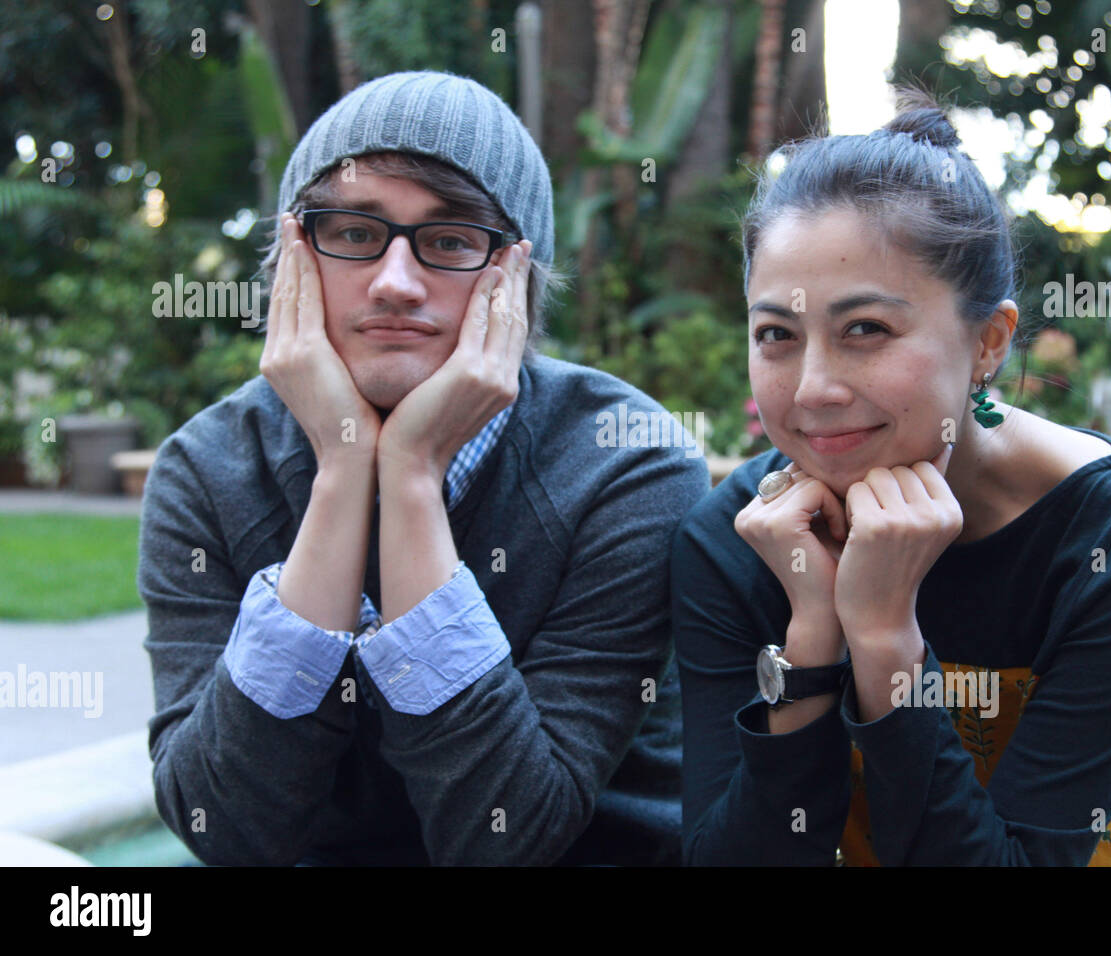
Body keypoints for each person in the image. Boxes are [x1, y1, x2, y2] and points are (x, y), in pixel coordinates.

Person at [138, 71, 710, 866]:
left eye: (449, 242)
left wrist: (408, 475)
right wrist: (344, 469)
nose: (396, 283)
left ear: (518, 276)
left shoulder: (624, 458)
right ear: (294, 256)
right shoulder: (205, 472)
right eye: (352, 231)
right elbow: (224, 831)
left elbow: (508, 837)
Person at [672, 89, 1111, 866]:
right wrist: (812, 638)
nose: (812, 388)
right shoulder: (737, 539)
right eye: (776, 333)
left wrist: (882, 636)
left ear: (989, 343)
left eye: (864, 330)